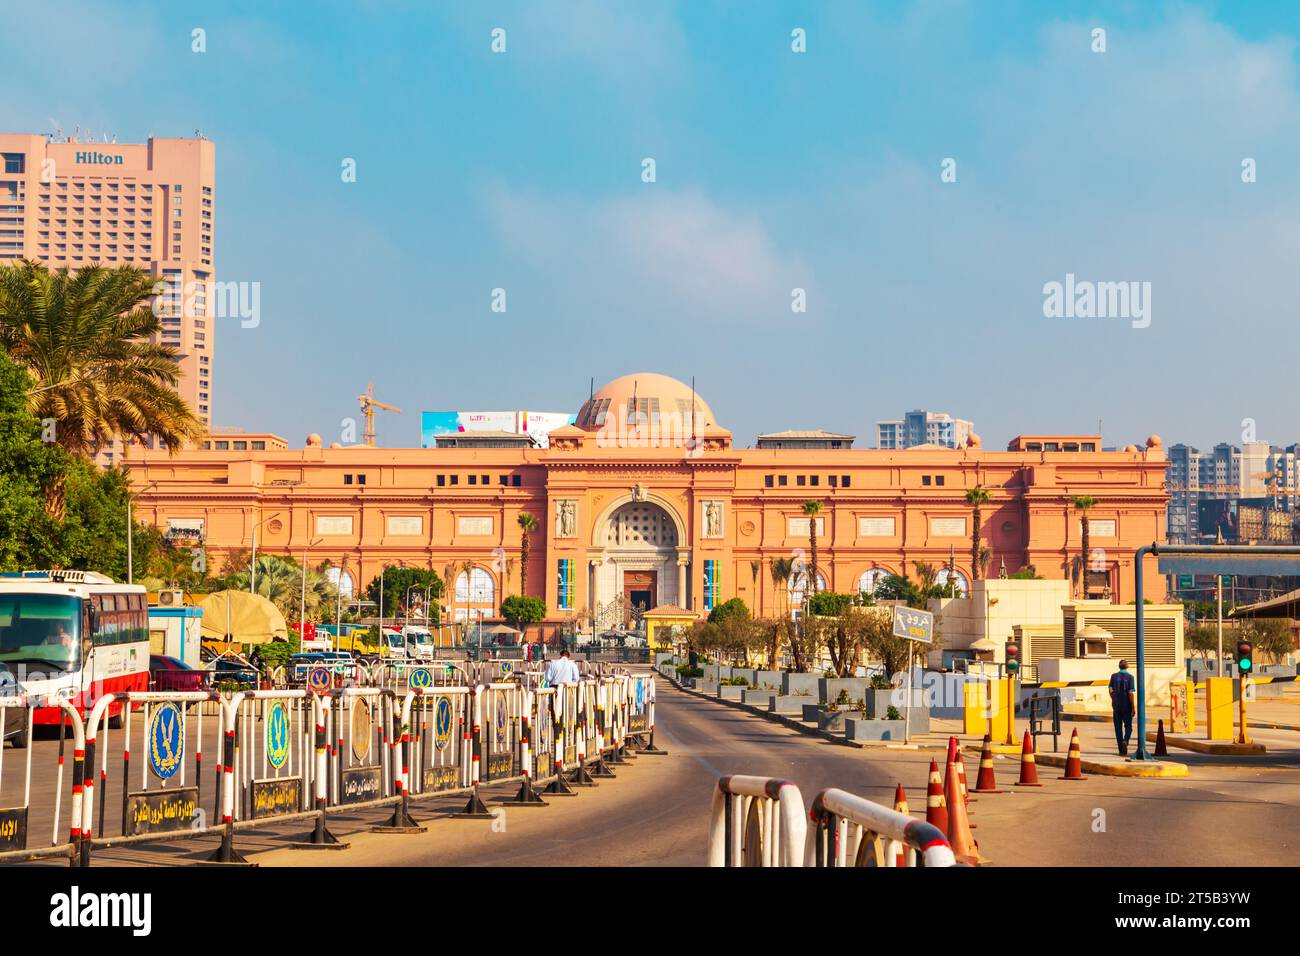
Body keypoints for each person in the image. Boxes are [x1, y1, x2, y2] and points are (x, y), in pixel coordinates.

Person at [1108, 659, 1137, 756]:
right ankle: (1125, 740)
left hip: (1116, 705)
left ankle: (1121, 749)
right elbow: (1130, 693)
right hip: (1126, 705)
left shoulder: (1113, 676)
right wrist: (1133, 707)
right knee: (1128, 726)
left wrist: (1114, 699)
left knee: (1118, 727)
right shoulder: (1130, 677)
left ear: (1119, 666)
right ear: (1127, 667)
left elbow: (1110, 690)